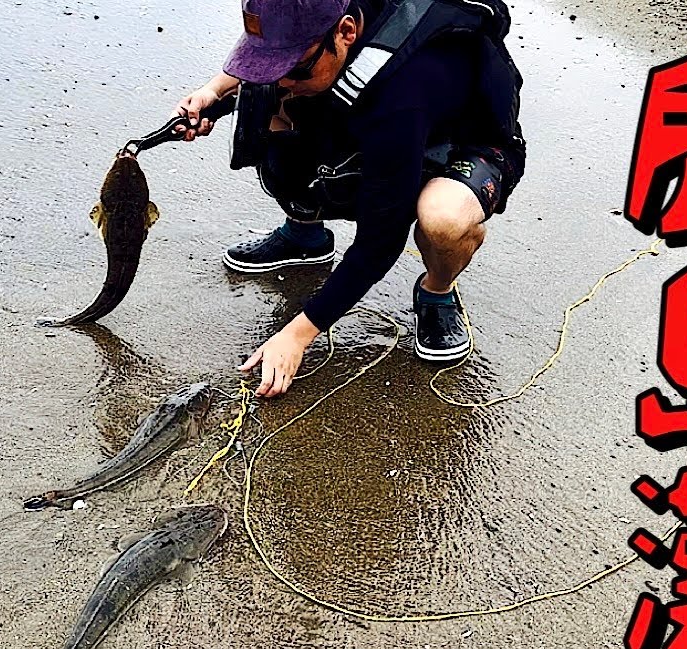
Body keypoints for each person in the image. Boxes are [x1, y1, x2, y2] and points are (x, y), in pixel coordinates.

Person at [177, 0, 526, 398]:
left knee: (442, 220)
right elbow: (273, 57)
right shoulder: (317, 21)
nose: (282, 78)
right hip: (384, 118)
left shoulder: (402, 95)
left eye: (294, 67)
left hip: (465, 140)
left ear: (345, 31)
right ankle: (304, 234)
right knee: (268, 103)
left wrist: (298, 333)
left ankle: (436, 290)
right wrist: (213, 93)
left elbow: (381, 242)